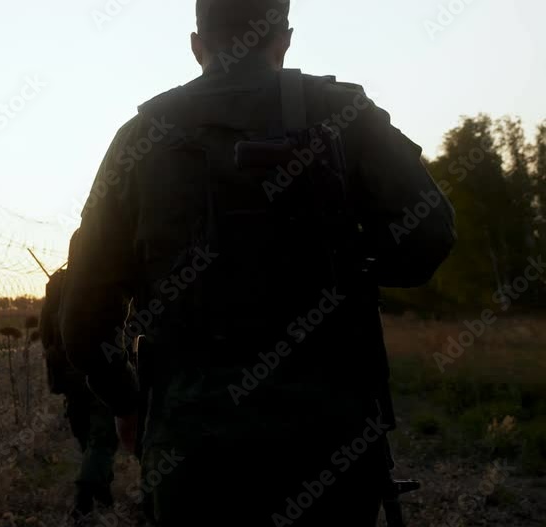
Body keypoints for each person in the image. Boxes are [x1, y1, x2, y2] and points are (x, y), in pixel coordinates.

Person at [59, 1, 457, 525]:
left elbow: (84, 312)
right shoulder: (344, 115)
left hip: (192, 441)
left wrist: (127, 406)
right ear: (284, 39)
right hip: (331, 433)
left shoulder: (141, 138)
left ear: (198, 45)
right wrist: (345, 263)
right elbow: (429, 236)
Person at [40, 230, 118, 522]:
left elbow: (46, 331)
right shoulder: (108, 278)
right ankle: (86, 495)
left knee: (86, 431)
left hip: (68, 369)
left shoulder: (57, 282)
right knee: (102, 436)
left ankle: (100, 487)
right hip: (102, 366)